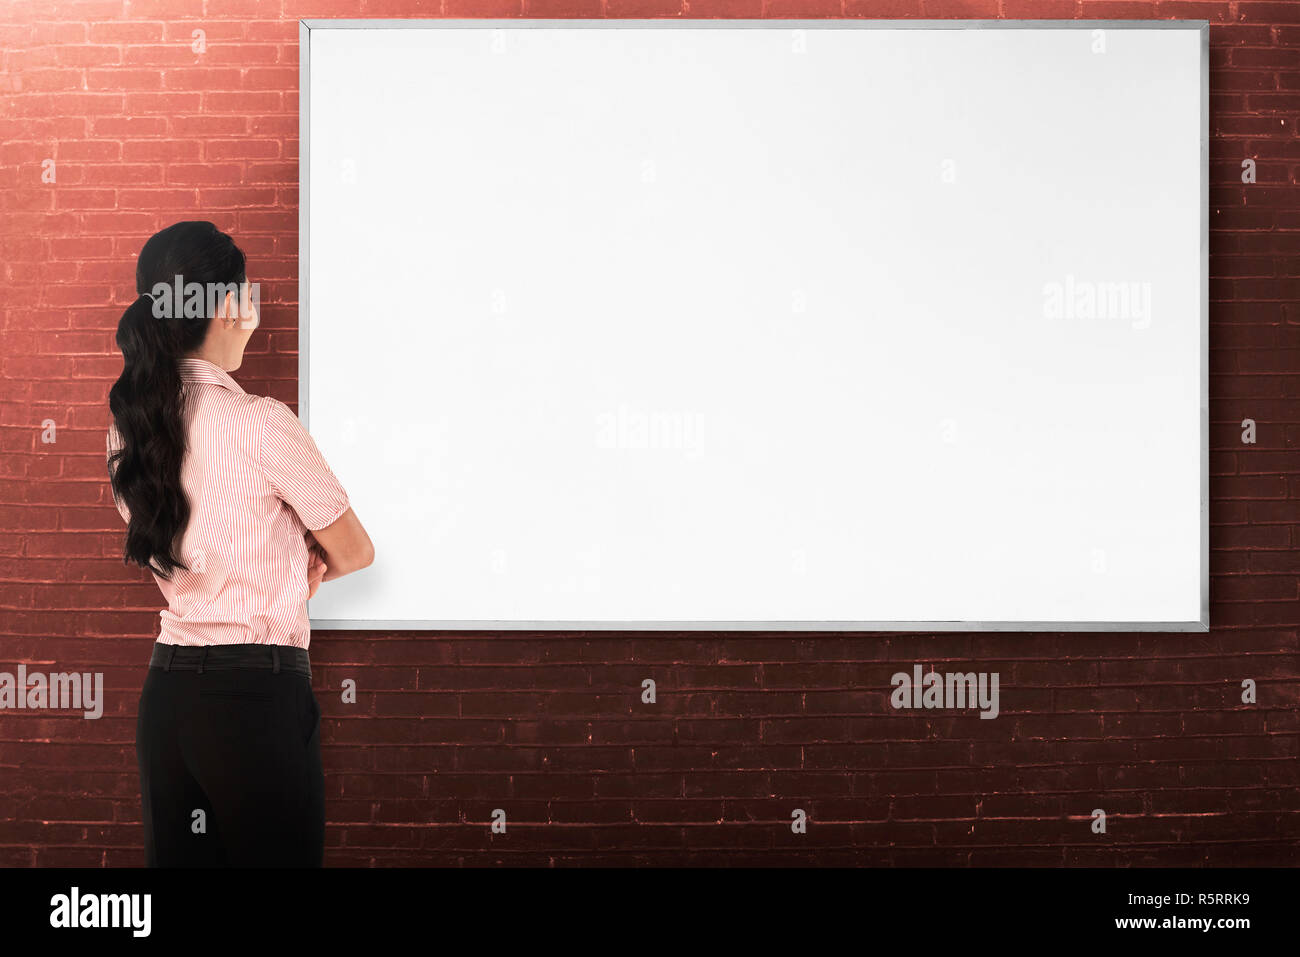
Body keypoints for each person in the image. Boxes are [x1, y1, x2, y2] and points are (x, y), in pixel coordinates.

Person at [106, 221, 374, 866]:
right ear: (226, 306)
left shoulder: (127, 430)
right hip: (255, 698)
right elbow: (355, 551)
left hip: (167, 700)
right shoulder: (263, 423)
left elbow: (188, 545)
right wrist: (297, 568)